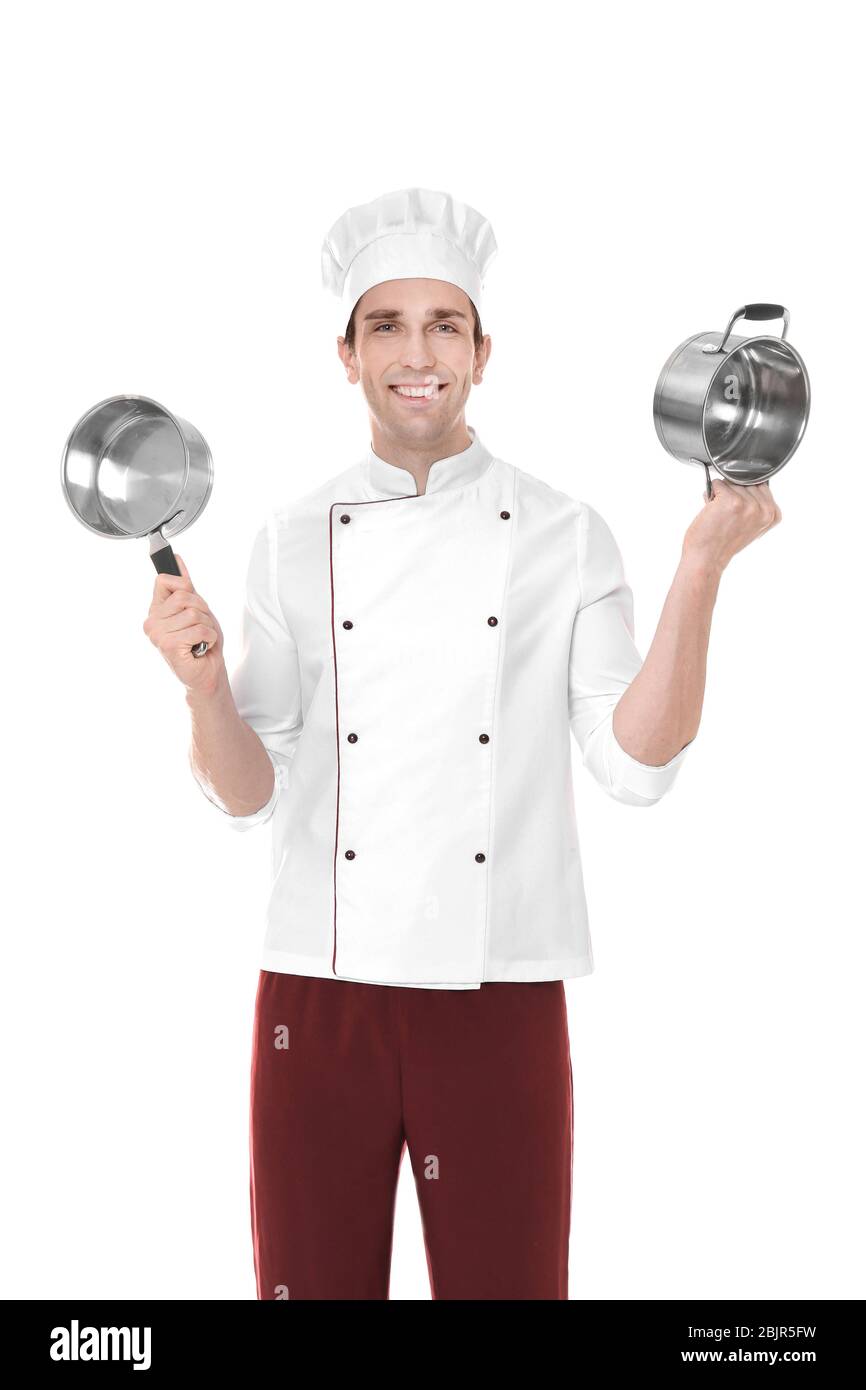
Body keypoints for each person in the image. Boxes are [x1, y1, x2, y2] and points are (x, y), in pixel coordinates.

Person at [143, 187, 781, 1300]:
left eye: (444, 324)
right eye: (385, 325)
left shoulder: (561, 532)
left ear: (485, 351)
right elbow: (248, 797)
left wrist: (699, 569)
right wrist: (203, 694)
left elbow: (634, 764)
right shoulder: (290, 538)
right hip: (319, 990)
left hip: (501, 986)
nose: (416, 353)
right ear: (343, 355)